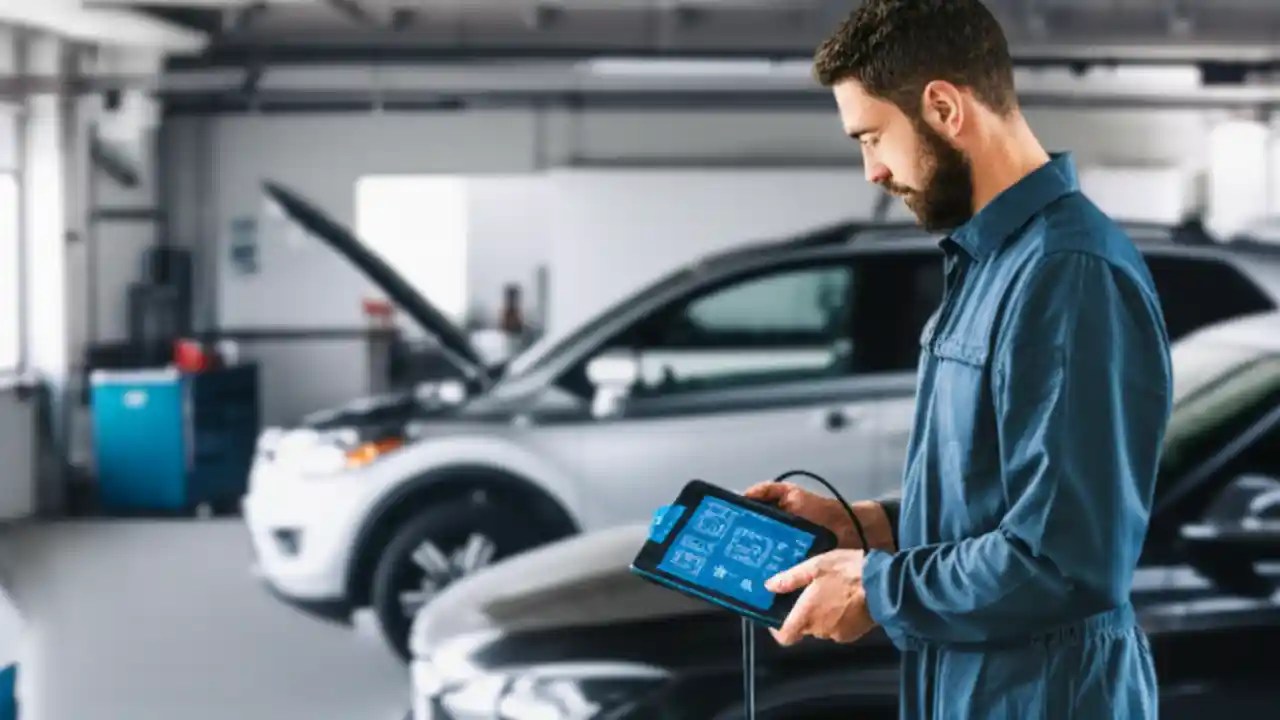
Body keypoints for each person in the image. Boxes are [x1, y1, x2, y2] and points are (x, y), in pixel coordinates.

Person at [743, 1, 1173, 717]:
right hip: (981, 687)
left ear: (943, 107)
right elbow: (999, 499)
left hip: (1046, 698)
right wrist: (867, 526)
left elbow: (1065, 562)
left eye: (873, 136)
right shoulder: (989, 262)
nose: (871, 171)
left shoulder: (1067, 274)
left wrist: (876, 589)